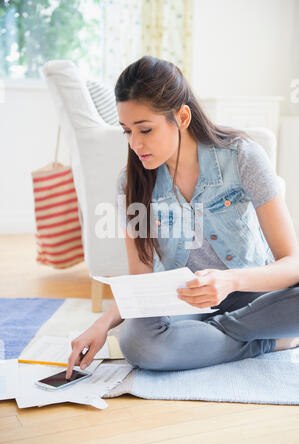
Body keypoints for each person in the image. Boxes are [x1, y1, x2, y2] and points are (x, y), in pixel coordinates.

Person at [66, 56, 299, 379]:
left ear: (182, 117)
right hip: (184, 305)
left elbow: (291, 262)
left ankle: (228, 333)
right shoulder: (131, 183)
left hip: (252, 295)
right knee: (137, 343)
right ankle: (268, 341)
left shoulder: (242, 156)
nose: (135, 144)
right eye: (127, 132)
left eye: (145, 129)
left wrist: (229, 281)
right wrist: (102, 324)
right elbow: (141, 284)